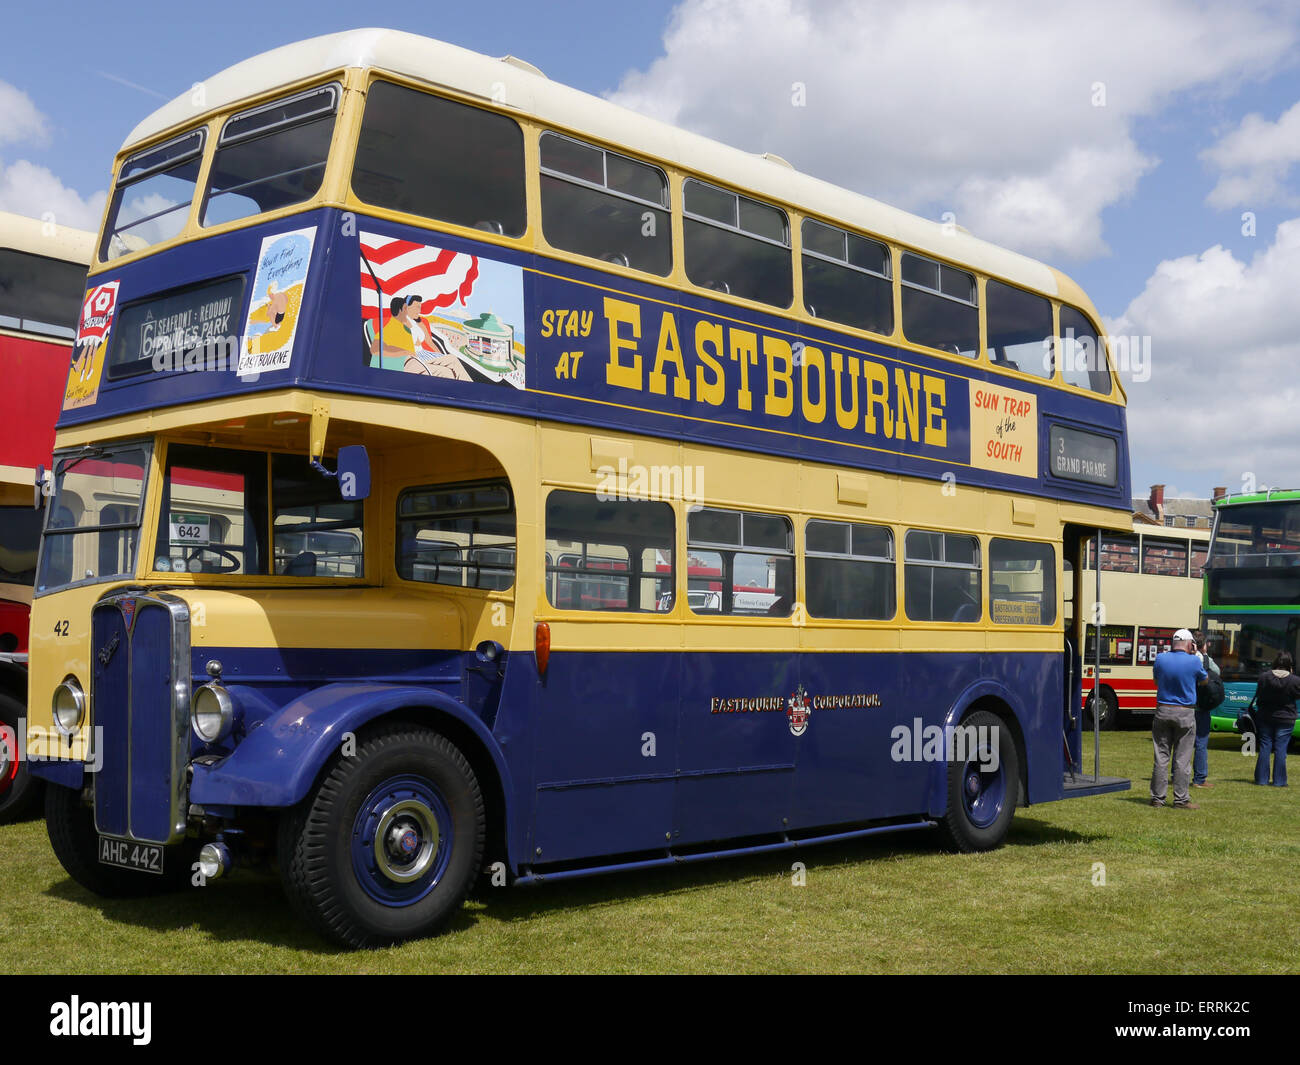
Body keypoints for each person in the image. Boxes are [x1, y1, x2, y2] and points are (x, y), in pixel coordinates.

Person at [1149, 628, 1206, 809]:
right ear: (1190, 644)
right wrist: (1196, 653)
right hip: (1185, 712)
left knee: (1161, 756)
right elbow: (1204, 681)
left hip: (1163, 710)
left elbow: (1156, 681)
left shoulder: (1160, 658)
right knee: (1182, 758)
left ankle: (1158, 798)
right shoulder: (1194, 661)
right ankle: (1181, 799)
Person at [1252, 652, 1300, 787]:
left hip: (1265, 716)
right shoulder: (1295, 680)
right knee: (1281, 749)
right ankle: (1279, 781)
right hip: (1286, 718)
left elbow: (1259, 694)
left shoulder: (1264, 677)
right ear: (1289, 665)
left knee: (1265, 746)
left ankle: (1262, 779)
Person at [1192, 630, 1221, 788]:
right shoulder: (1205, 660)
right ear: (1203, 646)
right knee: (1201, 743)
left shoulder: (1185, 657)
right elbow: (1217, 672)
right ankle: (1199, 778)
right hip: (1201, 706)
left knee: (1182, 743)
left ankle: (1177, 775)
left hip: (1185, 706)